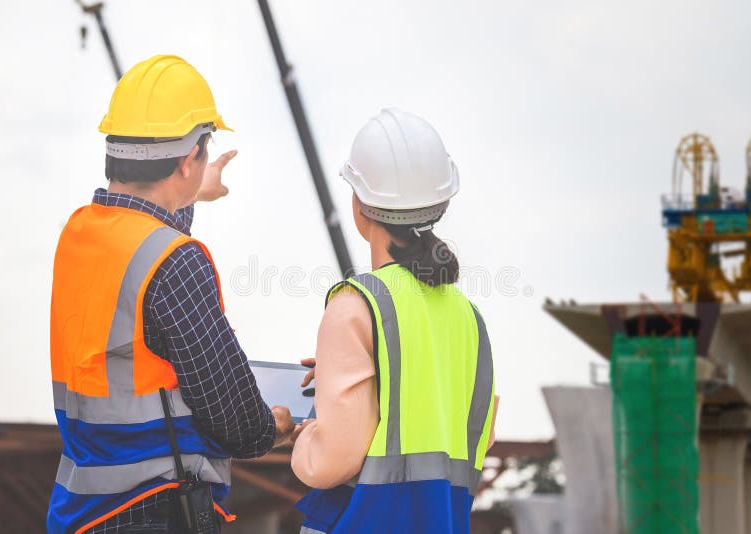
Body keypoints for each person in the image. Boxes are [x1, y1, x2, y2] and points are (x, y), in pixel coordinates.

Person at [48, 55, 294, 533]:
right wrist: (275, 427)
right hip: (153, 512)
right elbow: (236, 424)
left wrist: (193, 193)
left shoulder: (80, 236)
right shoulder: (176, 263)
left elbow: (140, 239)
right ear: (188, 160)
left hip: (81, 510)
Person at [290, 108, 499, 533]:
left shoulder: (356, 304)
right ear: (440, 205)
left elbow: (332, 461)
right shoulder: (468, 319)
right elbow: (475, 434)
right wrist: (372, 383)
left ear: (358, 205)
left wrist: (307, 437)